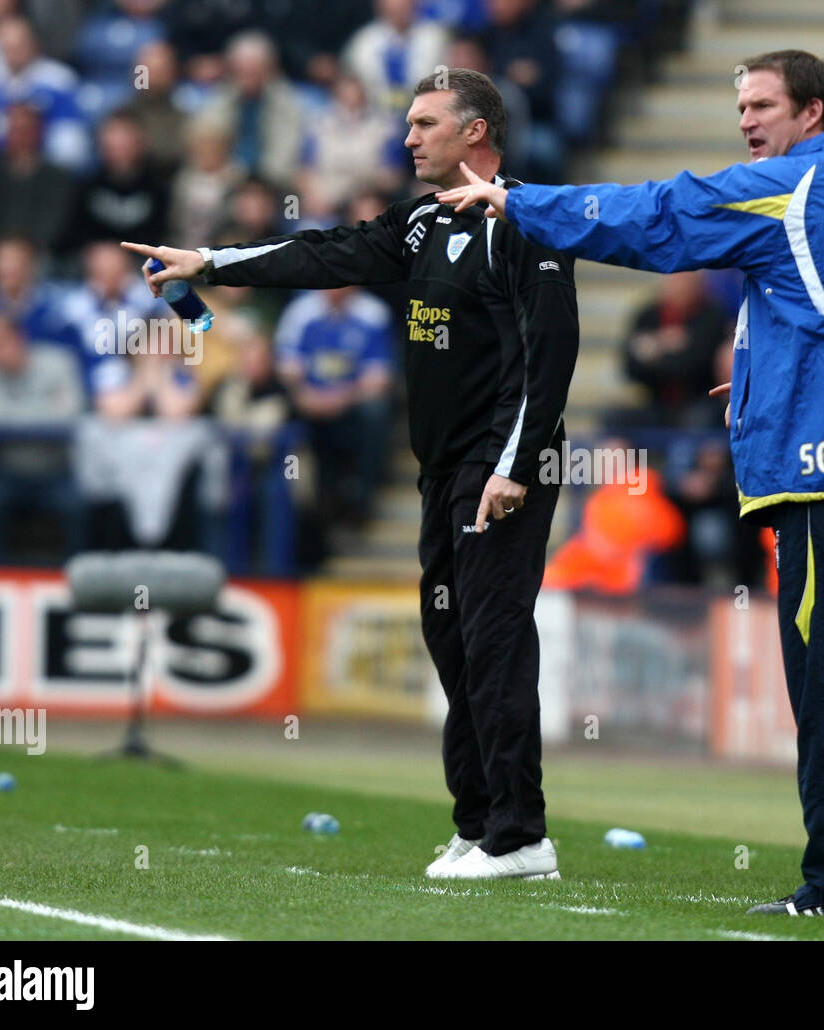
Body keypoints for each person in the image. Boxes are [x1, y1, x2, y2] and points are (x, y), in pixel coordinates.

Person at [439, 49, 824, 917]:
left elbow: (663, 216)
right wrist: (765, 368)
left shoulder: (793, 189)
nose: (746, 121)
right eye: (740, 105)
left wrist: (521, 202)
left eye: (762, 105)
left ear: (814, 113)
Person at [122, 67, 579, 882]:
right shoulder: (421, 223)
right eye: (408, 124)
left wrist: (510, 467)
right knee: (453, 641)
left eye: (425, 123)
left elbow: (551, 358)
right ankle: (479, 826)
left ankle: (520, 835)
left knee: (494, 639)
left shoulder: (526, 223)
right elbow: (327, 252)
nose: (407, 137)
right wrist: (210, 261)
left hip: (501, 465)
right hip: (443, 470)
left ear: (476, 132)